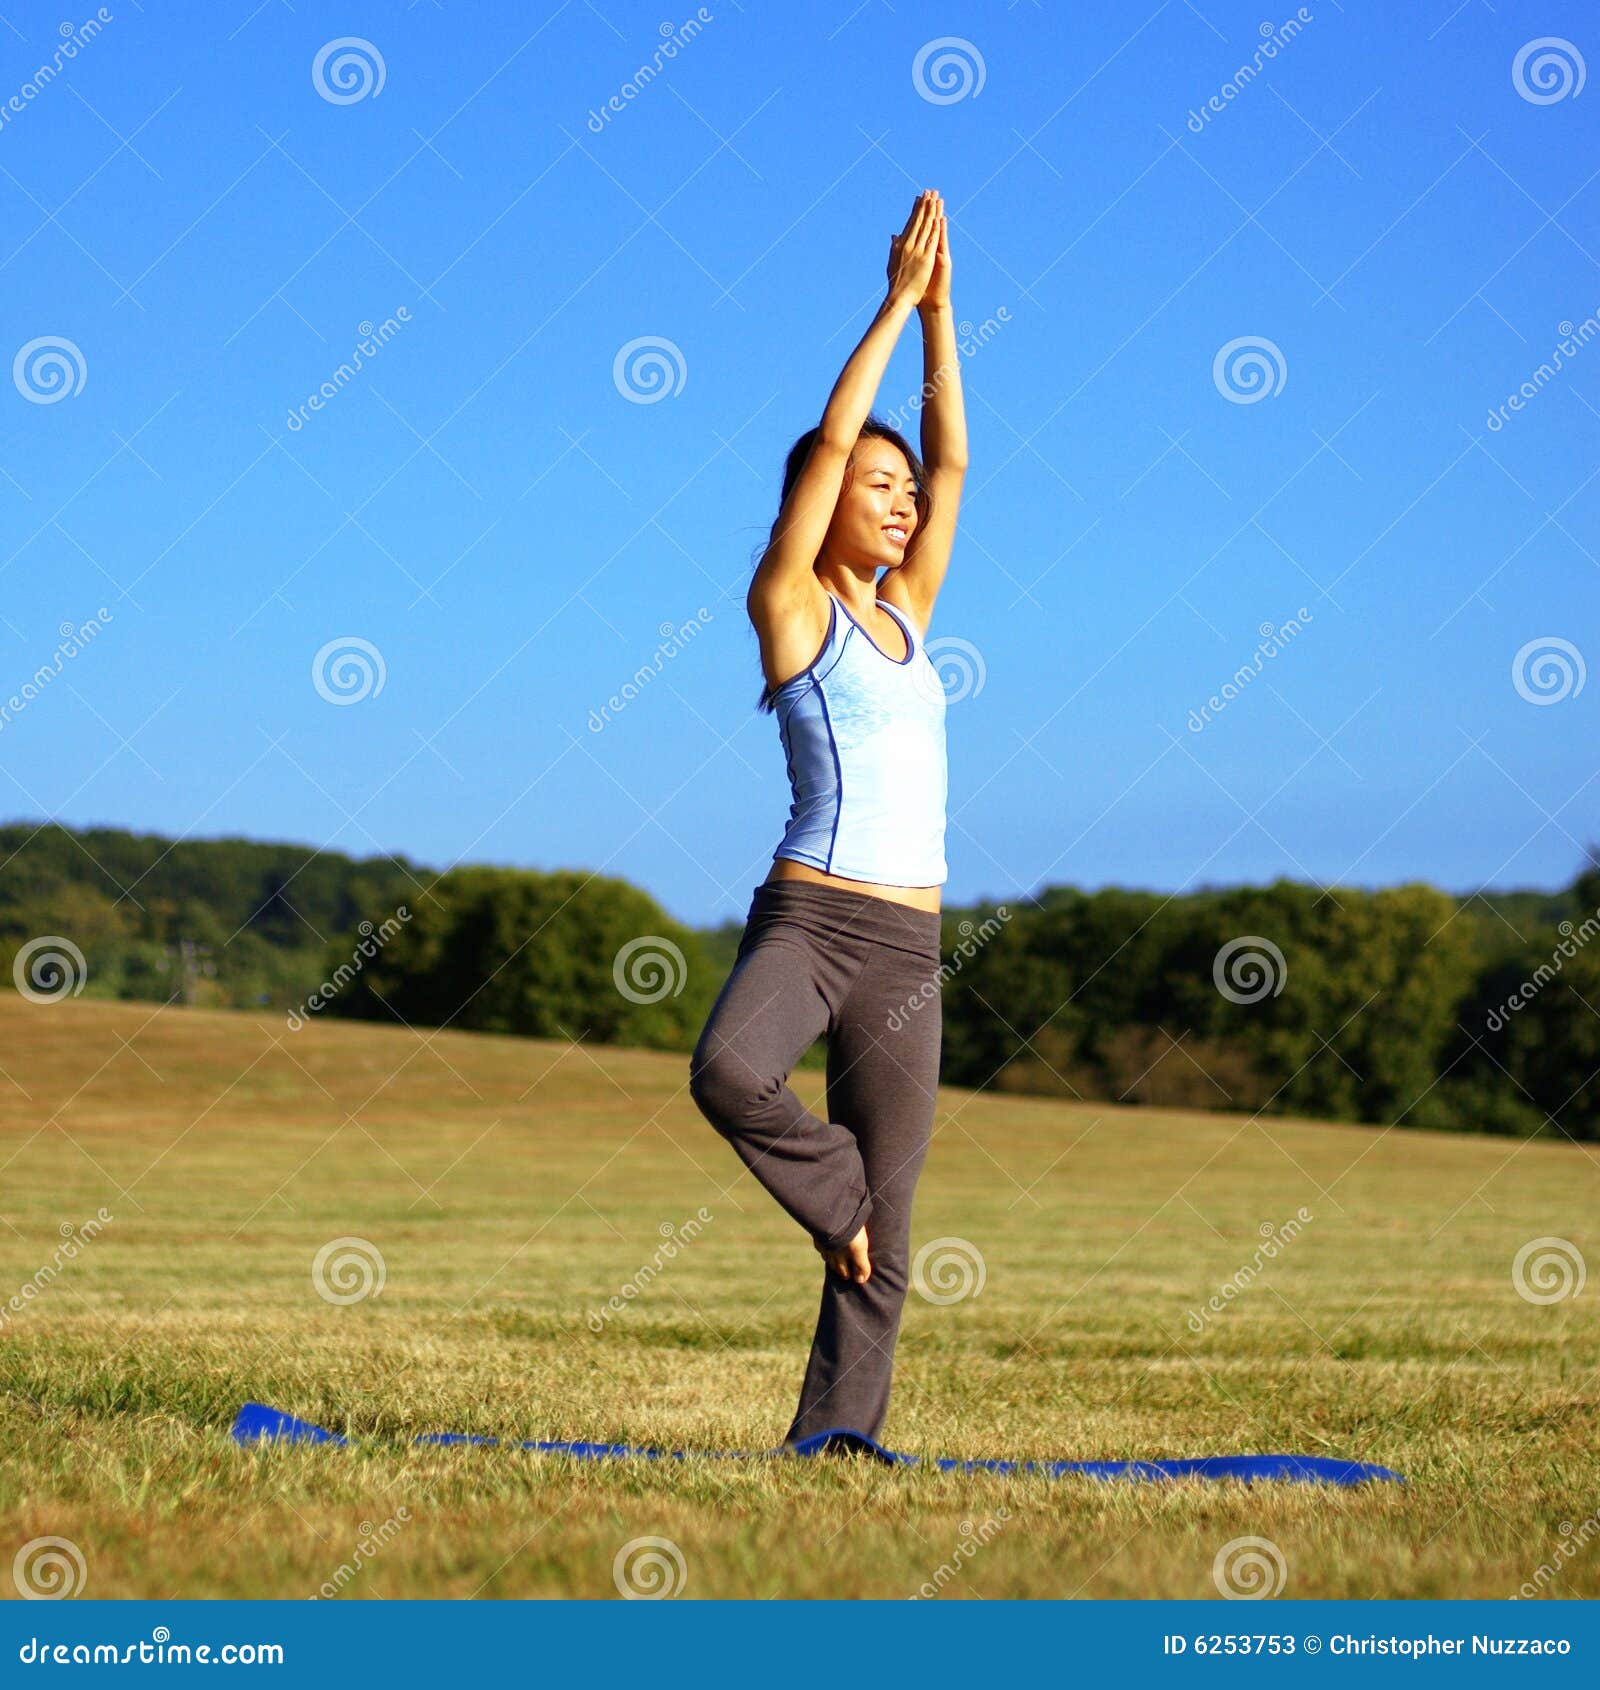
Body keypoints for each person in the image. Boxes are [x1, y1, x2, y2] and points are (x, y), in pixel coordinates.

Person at [689, 189, 968, 1445]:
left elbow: (952, 460)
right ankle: (833, 1183)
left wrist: (944, 319)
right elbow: (835, 434)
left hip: (909, 947)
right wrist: (893, 305)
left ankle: (835, 1439)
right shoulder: (791, 609)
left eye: (904, 490)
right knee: (728, 1071)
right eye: (875, 484)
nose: (903, 499)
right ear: (821, 494)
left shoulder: (909, 613)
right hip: (811, 920)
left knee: (887, 1236)